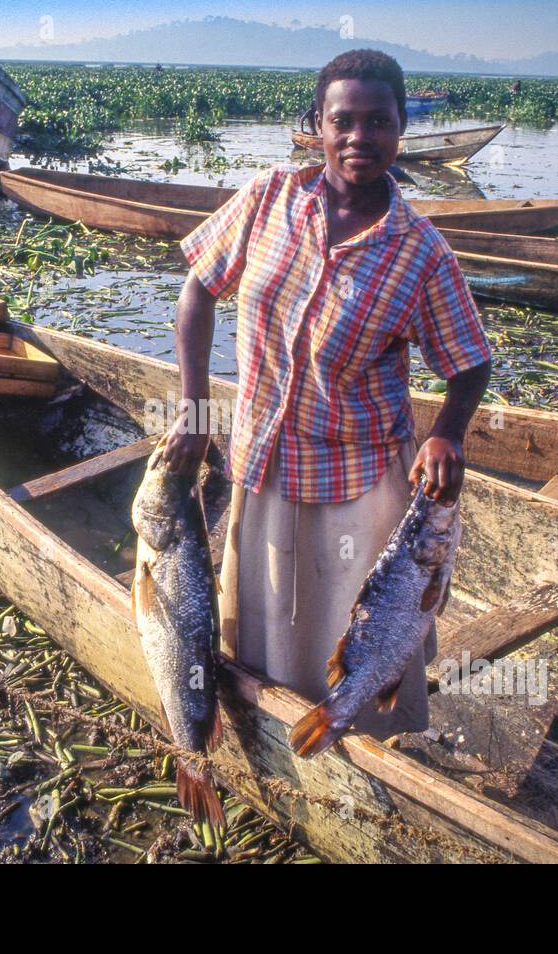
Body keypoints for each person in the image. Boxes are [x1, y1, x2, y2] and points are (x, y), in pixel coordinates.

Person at [164, 49, 492, 742]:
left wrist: (447, 434)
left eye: (379, 122)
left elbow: (469, 363)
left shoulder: (421, 252)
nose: (359, 138)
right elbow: (198, 290)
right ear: (317, 125)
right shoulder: (268, 198)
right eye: (343, 121)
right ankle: (276, 737)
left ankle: (370, 747)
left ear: (401, 129)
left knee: (357, 632)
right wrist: (194, 406)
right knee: (270, 630)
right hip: (263, 462)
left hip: (359, 482)